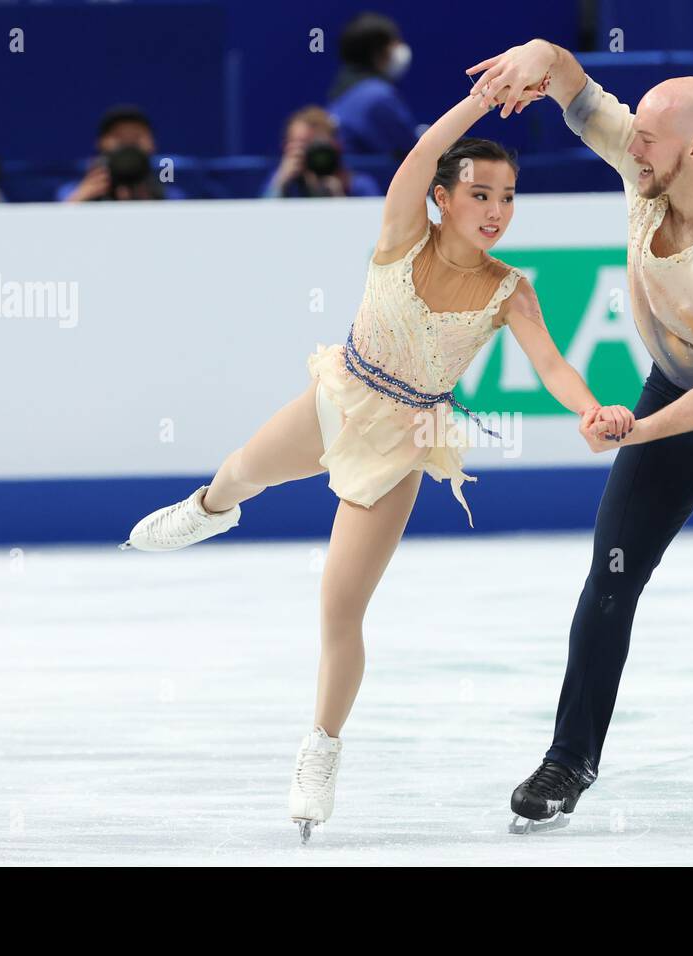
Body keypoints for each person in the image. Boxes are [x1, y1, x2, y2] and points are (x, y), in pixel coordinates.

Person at [121, 79, 634, 843]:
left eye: (508, 197)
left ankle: (320, 747)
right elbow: (426, 148)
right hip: (338, 397)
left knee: (339, 606)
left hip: (401, 444)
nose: (496, 211)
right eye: (481, 193)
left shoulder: (508, 290)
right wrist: (483, 103)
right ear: (442, 197)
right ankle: (206, 511)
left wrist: (590, 407)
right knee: (240, 473)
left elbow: (554, 366)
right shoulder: (401, 228)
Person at [466, 39, 693, 840]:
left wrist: (637, 431)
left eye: (649, 135)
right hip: (671, 393)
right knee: (612, 572)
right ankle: (568, 760)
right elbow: (571, 82)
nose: (632, 143)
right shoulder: (646, 163)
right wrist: (535, 56)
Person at [326, 13, 418, 162]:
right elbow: (416, 153)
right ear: (378, 52)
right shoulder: (378, 96)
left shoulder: (342, 92)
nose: (400, 49)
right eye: (394, 43)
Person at [58, 105, 186, 202]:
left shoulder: (170, 195)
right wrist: (80, 198)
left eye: (137, 137)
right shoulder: (72, 191)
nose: (128, 143)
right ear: (100, 143)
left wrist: (154, 202)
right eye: (118, 137)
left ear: (152, 144)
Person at [261, 106, 381, 198]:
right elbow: (261, 221)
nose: (311, 152)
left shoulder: (360, 187)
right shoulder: (284, 184)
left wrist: (340, 201)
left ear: (336, 147)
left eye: (316, 144)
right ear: (287, 147)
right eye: (302, 145)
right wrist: (279, 183)